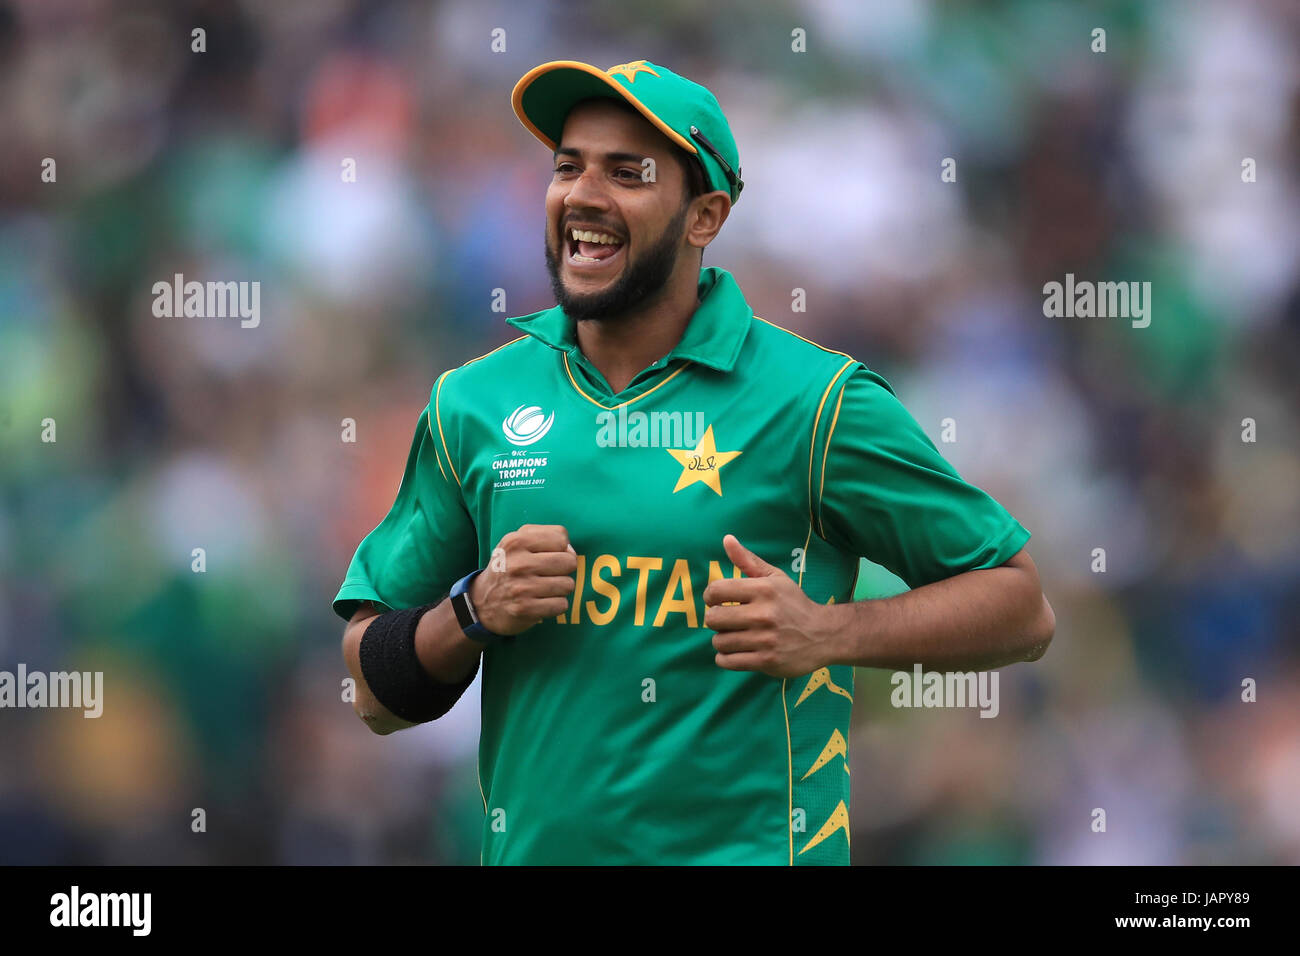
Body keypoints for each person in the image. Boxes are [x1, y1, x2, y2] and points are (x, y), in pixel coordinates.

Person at [333, 58, 1055, 865]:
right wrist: (472, 610)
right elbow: (373, 692)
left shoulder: (815, 402)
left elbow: (1022, 606)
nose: (583, 194)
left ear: (705, 214)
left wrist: (828, 632)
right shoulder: (474, 403)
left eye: (628, 172)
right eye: (568, 165)